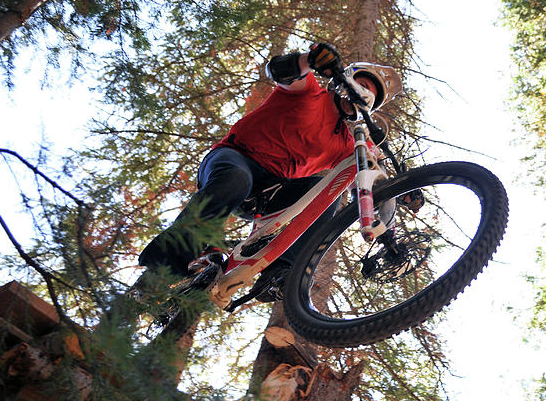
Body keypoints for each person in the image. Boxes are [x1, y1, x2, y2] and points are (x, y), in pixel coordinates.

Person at [137, 42, 402, 281]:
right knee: (236, 179)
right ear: (347, 79)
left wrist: (401, 194)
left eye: (371, 95)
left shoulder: (344, 142)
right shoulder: (309, 92)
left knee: (330, 195)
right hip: (234, 159)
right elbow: (278, 71)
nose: (364, 93)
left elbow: (367, 177)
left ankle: (280, 271)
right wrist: (309, 61)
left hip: (272, 191)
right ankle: (171, 258)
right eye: (363, 84)